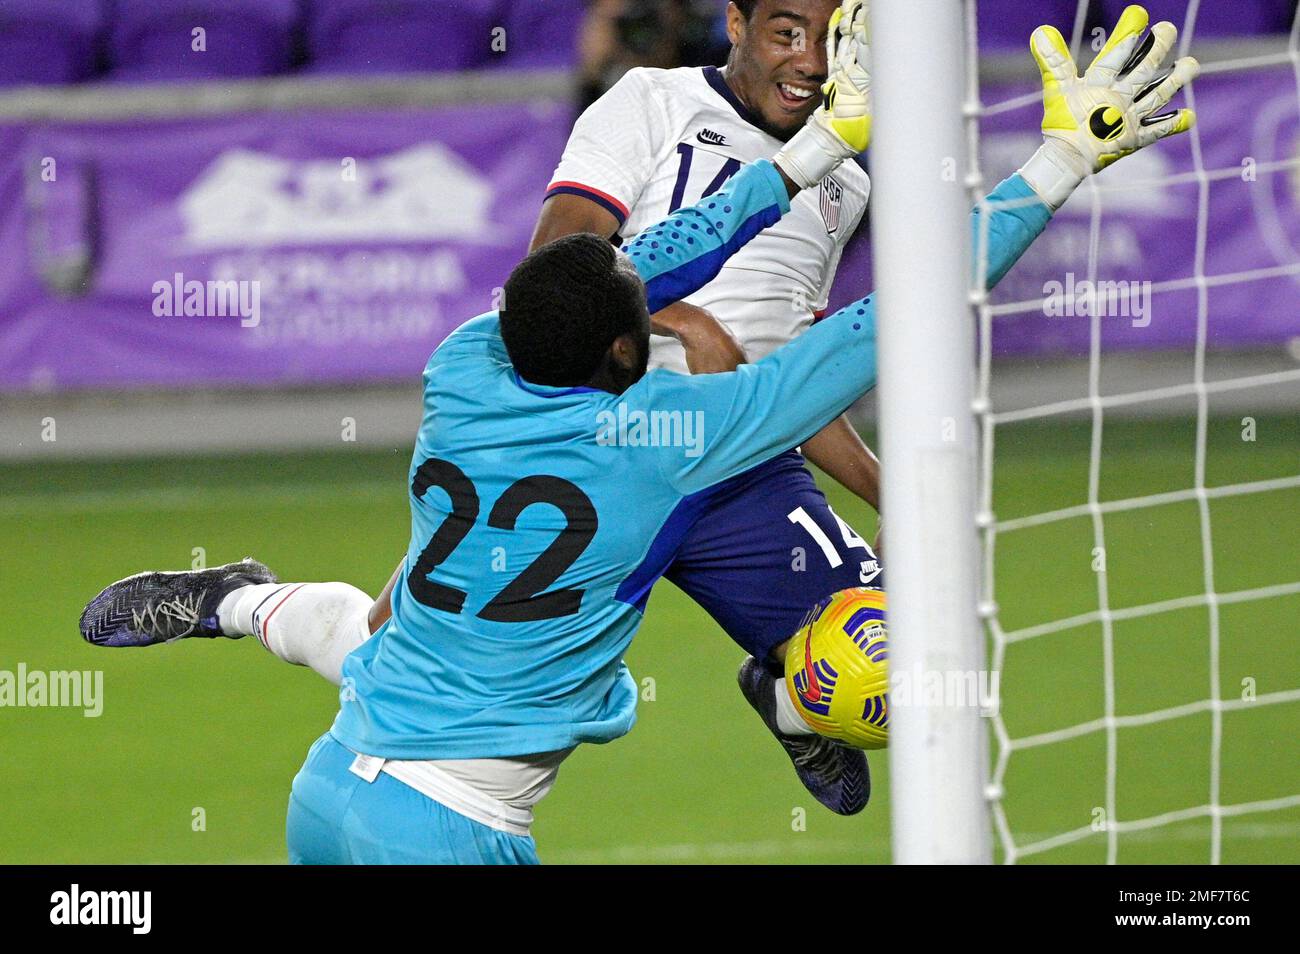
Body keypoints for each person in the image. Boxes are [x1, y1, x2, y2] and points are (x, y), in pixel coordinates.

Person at [80, 3, 1198, 861]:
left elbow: (659, 273)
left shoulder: (464, 363)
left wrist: (816, 152)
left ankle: (234, 599)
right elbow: (884, 321)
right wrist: (1057, 165)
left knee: (392, 638)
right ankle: (242, 601)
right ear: (630, 351)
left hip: (338, 785)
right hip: (445, 823)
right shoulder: (672, 436)